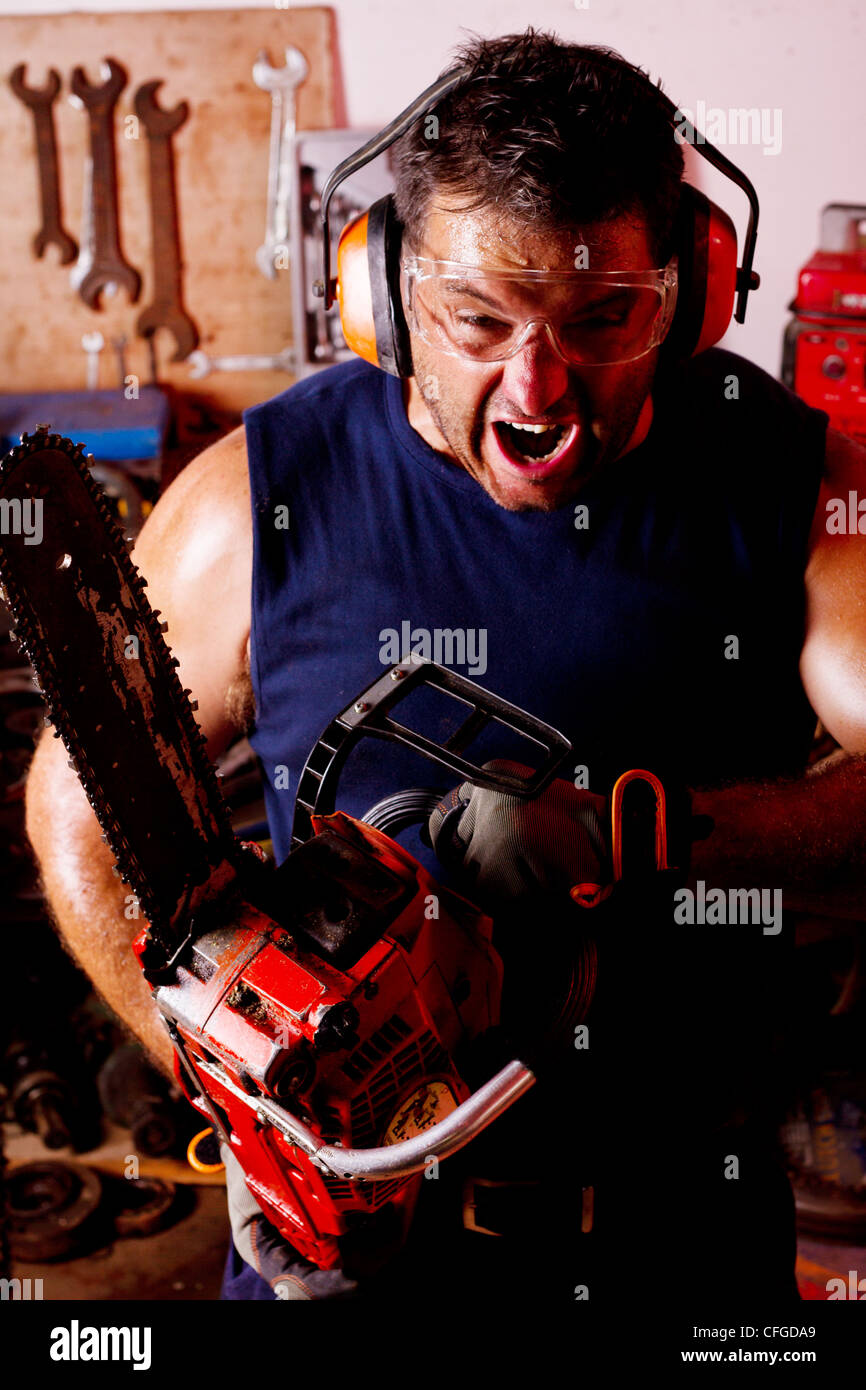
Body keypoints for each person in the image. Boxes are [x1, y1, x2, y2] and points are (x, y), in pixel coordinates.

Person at [25, 30, 866, 1304]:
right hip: (360, 1268)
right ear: (382, 293)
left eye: (603, 319)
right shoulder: (258, 499)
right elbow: (76, 810)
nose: (540, 389)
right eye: (478, 319)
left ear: (689, 291)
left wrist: (642, 835)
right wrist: (246, 1095)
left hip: (676, 1244)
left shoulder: (783, 481)